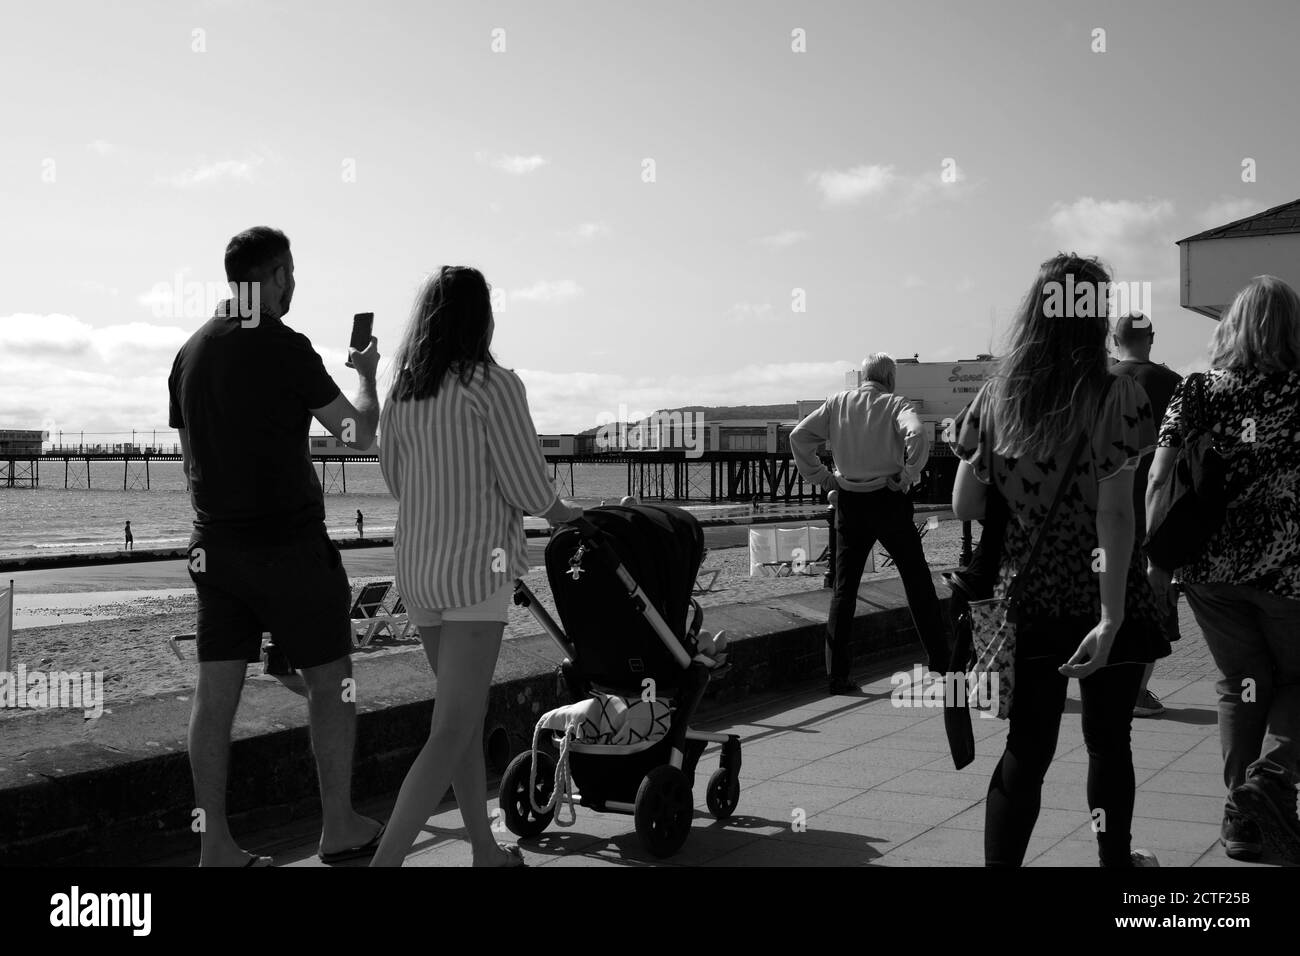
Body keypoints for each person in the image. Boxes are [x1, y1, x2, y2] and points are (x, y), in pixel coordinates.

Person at [168, 226, 384, 866]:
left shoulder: (189, 354)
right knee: (332, 682)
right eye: (290, 273)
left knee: (214, 701)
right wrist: (368, 375)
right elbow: (356, 432)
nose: (295, 284)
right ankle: (339, 825)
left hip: (215, 549)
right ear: (269, 276)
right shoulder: (287, 347)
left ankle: (217, 848)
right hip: (289, 548)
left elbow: (189, 465)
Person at [950, 253, 1169, 867]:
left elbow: (966, 503)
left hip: (1032, 597)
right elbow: (1117, 515)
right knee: (1108, 744)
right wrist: (1111, 616)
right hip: (1104, 591)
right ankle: (1116, 865)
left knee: (1028, 745)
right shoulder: (1117, 395)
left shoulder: (997, 398)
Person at [371, 265, 583, 868]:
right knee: (449, 729)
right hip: (474, 571)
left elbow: (394, 480)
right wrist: (563, 511)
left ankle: (485, 850)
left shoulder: (404, 391)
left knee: (461, 716)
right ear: (482, 316)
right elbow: (525, 484)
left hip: (418, 569)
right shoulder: (493, 384)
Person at [1148, 275, 1300, 864]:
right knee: (1294, 681)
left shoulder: (1196, 390)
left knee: (1241, 683)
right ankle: (1270, 779)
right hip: (1289, 567)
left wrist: (1157, 562)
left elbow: (1160, 477)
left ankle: (1241, 820)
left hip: (1207, 564)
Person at [791, 352, 948, 695]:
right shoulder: (895, 403)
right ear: (890, 379)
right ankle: (941, 660)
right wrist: (907, 474)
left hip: (849, 501)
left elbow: (799, 437)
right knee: (917, 581)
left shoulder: (836, 403)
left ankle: (837, 675)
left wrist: (822, 478)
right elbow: (918, 436)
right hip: (888, 499)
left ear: (863, 378)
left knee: (844, 590)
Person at [1110, 312, 1183, 717]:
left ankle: (1099, 679)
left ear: (1113, 338)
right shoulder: (1171, 383)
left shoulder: (1096, 382)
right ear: (1150, 339)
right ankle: (1137, 692)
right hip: (1153, 516)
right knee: (1152, 606)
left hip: (1101, 515)